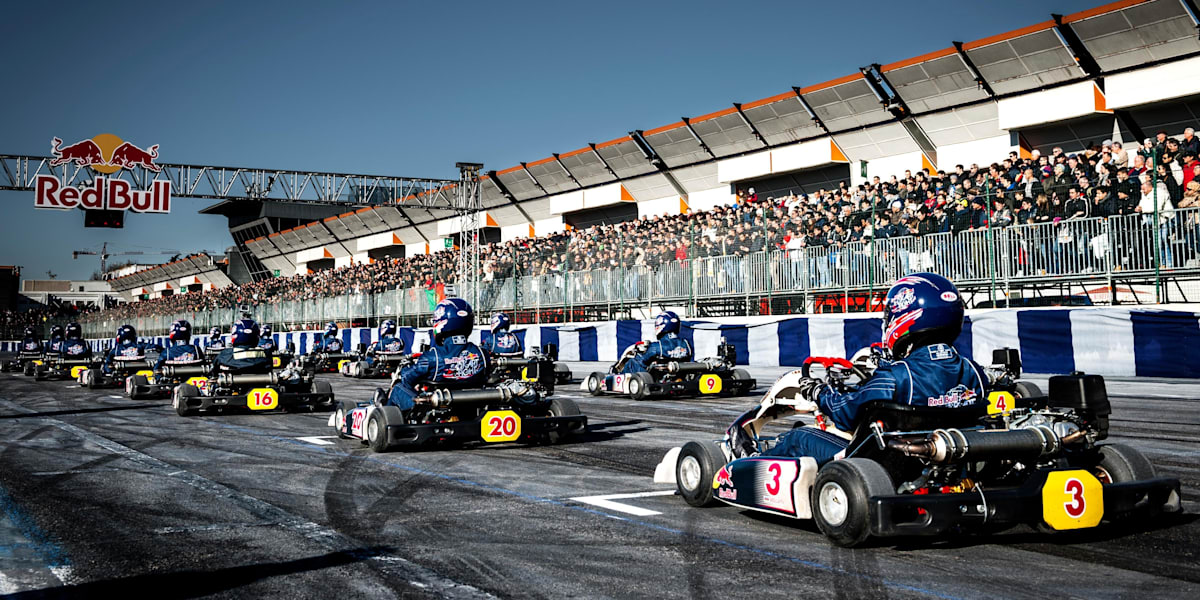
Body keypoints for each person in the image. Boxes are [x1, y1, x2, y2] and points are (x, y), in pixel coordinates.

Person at [760, 273, 987, 465]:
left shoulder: (896, 376)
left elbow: (845, 414)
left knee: (799, 437)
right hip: (947, 459)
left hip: (886, 463)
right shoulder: (974, 372)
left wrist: (819, 393)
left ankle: (744, 465)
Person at [380, 298, 489, 411]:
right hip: (472, 407)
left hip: (435, 409)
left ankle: (384, 414)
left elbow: (407, 379)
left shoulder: (432, 356)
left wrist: (405, 370)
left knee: (398, 388)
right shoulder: (482, 354)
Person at [619, 311, 694, 374]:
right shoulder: (686, 344)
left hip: (656, 378)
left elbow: (641, 361)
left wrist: (639, 353)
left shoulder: (657, 346)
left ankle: (617, 375)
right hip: (679, 374)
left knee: (633, 362)